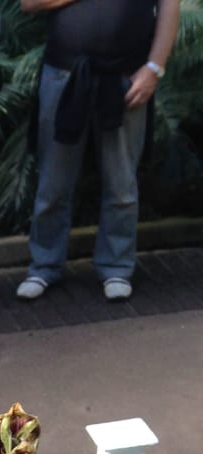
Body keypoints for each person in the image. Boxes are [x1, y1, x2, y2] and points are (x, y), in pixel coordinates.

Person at [15, 0, 181, 303]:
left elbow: (170, 5)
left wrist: (155, 68)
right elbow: (29, 3)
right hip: (63, 73)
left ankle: (116, 266)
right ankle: (44, 265)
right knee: (53, 182)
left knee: (122, 183)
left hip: (128, 77)